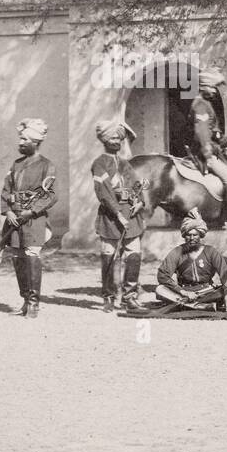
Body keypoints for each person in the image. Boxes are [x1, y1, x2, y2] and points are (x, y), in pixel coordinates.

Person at [1, 118, 58, 318]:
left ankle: (34, 303)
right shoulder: (15, 165)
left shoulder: (47, 166)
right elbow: (6, 190)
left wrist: (31, 211)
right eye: (20, 139)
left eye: (25, 139)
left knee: (32, 256)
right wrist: (7, 211)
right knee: (18, 258)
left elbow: (51, 195)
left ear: (36, 142)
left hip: (34, 220)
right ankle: (25, 300)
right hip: (14, 219)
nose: (21, 143)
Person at [91, 120, 147, 310]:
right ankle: (108, 296)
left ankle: (129, 296)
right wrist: (118, 214)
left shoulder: (124, 164)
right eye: (112, 137)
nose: (116, 141)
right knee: (109, 255)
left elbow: (137, 186)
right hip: (110, 217)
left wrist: (140, 202)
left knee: (134, 254)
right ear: (104, 140)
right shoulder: (99, 164)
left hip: (131, 214)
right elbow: (104, 193)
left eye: (118, 138)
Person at [189, 68, 227, 226]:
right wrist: (208, 153)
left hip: (213, 147)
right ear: (203, 86)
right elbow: (202, 132)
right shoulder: (200, 105)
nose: (214, 90)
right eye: (211, 87)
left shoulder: (206, 104)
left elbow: (215, 132)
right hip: (203, 151)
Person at [154, 209, 227, 309]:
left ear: (200, 235)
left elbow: (226, 273)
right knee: (160, 289)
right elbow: (162, 275)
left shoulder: (210, 251)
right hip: (184, 293)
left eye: (195, 235)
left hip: (207, 291)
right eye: (188, 235)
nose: (192, 238)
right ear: (184, 236)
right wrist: (182, 291)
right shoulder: (177, 252)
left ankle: (188, 305)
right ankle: (199, 306)